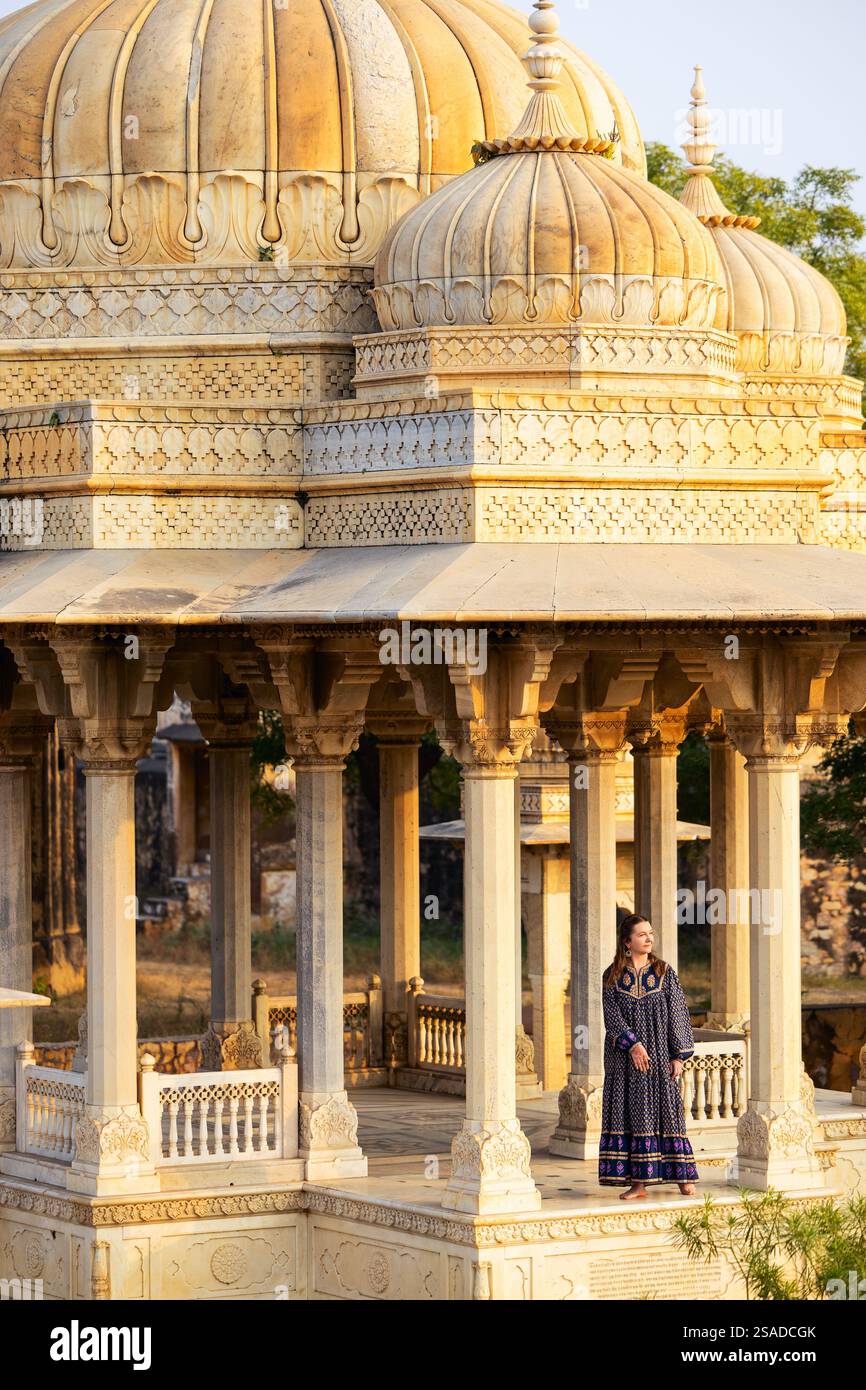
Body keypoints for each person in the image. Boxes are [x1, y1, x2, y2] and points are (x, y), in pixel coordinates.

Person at [599, 913, 698, 1200]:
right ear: (627, 942)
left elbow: (678, 1013)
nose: (649, 938)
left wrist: (678, 1055)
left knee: (669, 1113)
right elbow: (612, 1018)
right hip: (625, 1060)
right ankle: (639, 1184)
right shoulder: (612, 976)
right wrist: (632, 1045)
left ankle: (682, 1178)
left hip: (659, 1056)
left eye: (650, 933)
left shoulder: (664, 972)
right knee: (633, 1115)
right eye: (642, 934)